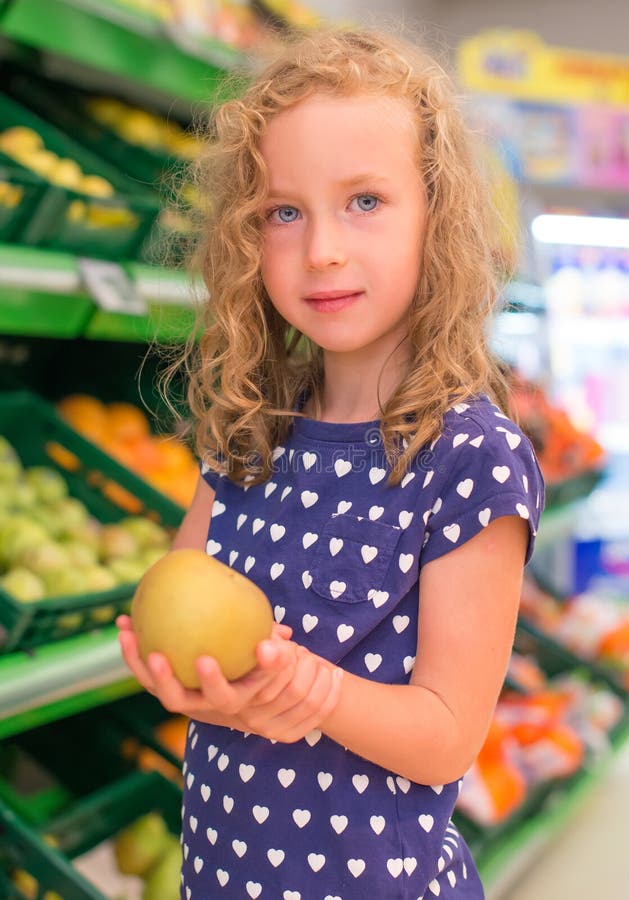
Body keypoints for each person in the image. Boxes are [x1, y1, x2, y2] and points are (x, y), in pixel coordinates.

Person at [117, 26, 544, 899]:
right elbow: (181, 593)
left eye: (365, 202)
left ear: (437, 214)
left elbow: (449, 736)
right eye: (284, 212)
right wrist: (190, 682)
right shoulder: (251, 430)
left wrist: (312, 691)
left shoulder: (469, 457)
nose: (322, 251)